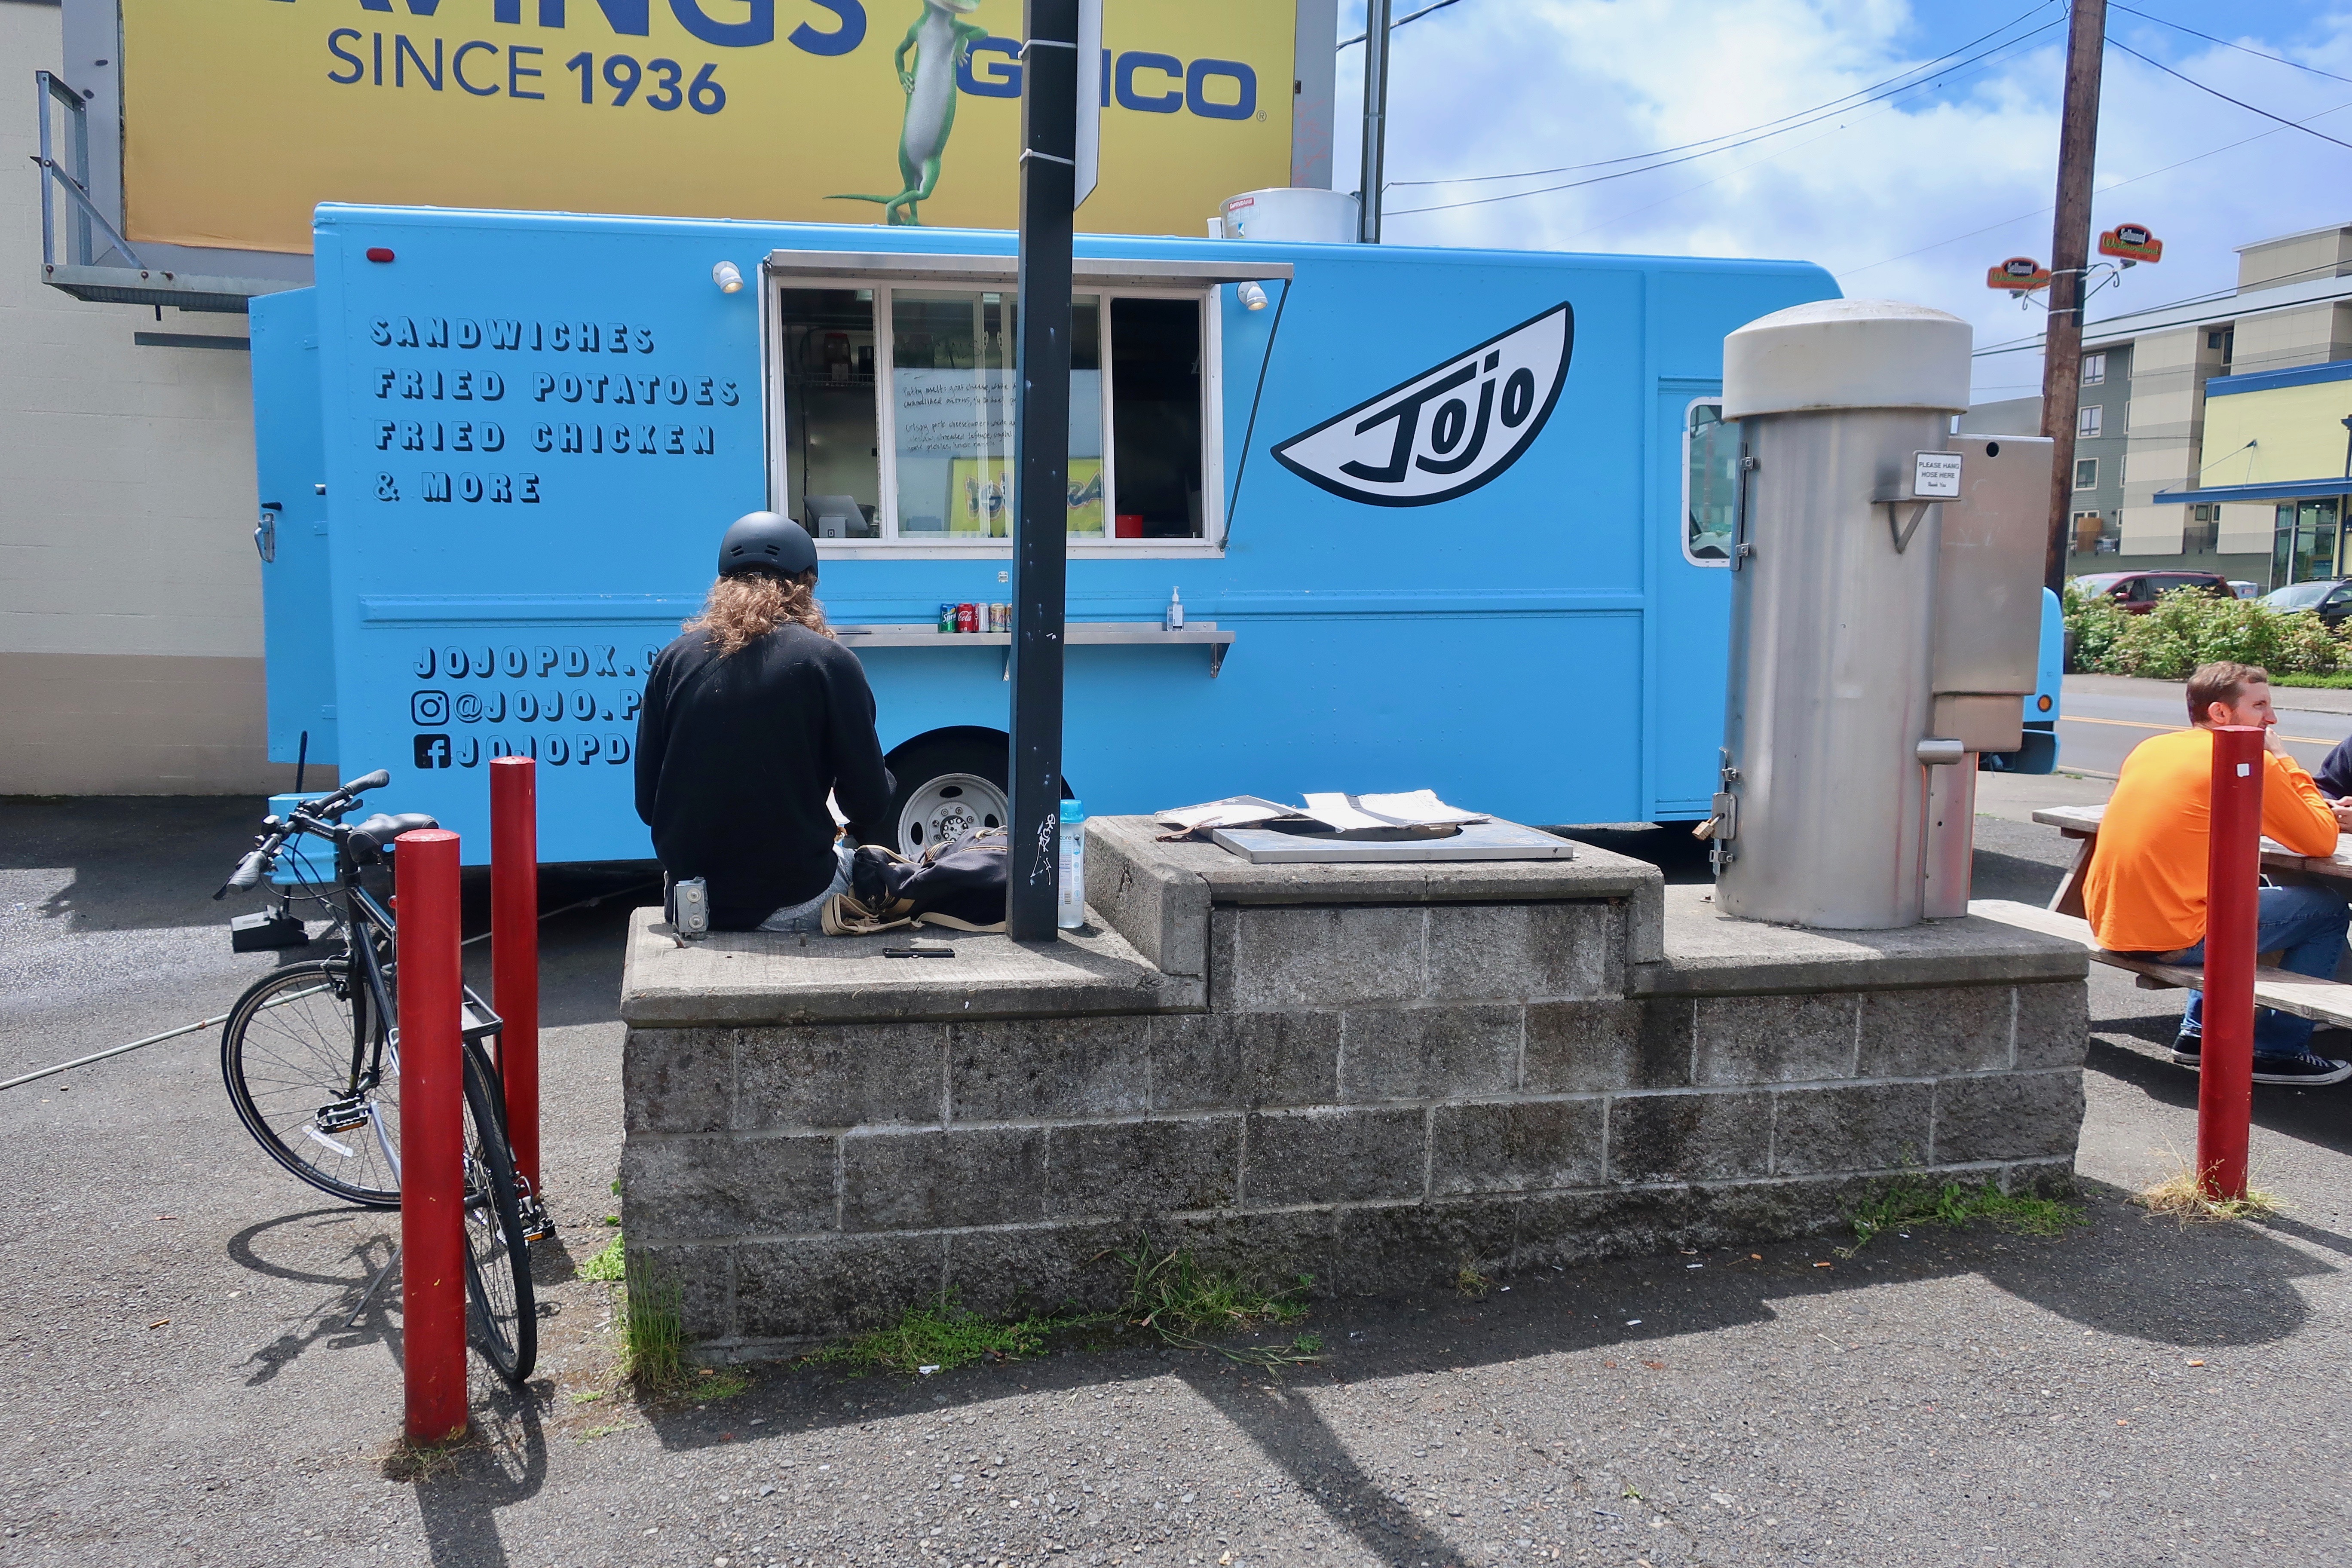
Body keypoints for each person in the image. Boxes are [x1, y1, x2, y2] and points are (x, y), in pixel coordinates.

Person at [2082, 660, 2352, 1084]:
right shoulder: (2242, 758)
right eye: (2261, 706)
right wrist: (2280, 757)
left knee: (2235, 891)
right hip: (2170, 936)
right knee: (2330, 908)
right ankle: (2277, 1049)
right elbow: (2320, 840)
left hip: (2113, 923)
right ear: (2220, 713)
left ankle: (2198, 1033)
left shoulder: (2153, 748)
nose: (2273, 718)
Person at [634, 512, 895, 932]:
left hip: (689, 904)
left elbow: (649, 807)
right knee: (860, 864)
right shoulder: (829, 663)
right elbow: (867, 806)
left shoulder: (673, 661)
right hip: (796, 898)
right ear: (806, 585)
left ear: (723, 585)